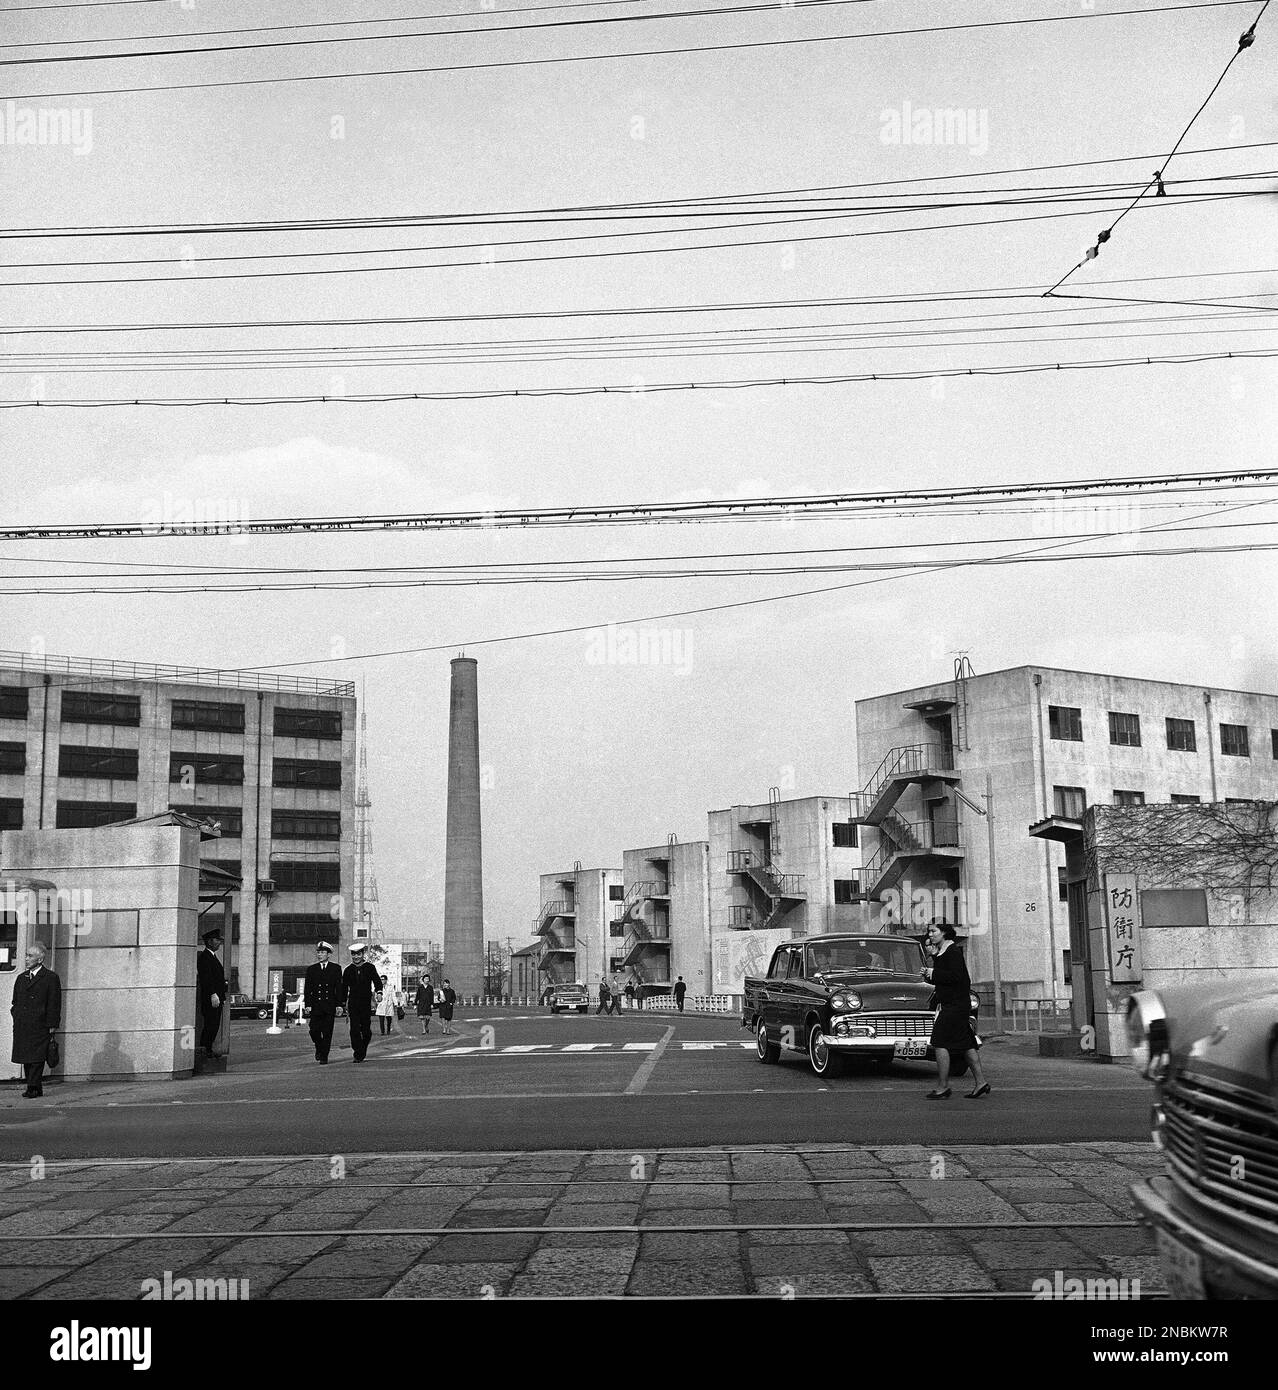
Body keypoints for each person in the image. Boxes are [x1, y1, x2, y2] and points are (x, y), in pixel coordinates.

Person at [922, 923, 990, 1100]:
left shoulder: (952, 952)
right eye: (929, 931)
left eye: (933, 931)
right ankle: (981, 1083)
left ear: (944, 932)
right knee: (966, 1043)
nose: (930, 935)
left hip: (955, 1005)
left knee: (939, 1041)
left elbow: (956, 977)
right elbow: (942, 977)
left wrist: (933, 973)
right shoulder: (943, 952)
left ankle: (943, 1086)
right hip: (954, 1004)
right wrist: (932, 966)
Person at [11, 942, 60, 1099]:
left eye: (30, 956)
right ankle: (33, 1086)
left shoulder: (51, 978)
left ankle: (33, 1087)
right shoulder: (21, 978)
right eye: (26, 955)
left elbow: (54, 1003)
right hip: (23, 1024)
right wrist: (16, 1015)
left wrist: (52, 1024)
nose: (26, 958)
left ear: (40, 959)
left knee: (37, 1058)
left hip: (40, 1024)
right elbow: (15, 1001)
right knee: (26, 1056)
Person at [339, 942, 383, 1063]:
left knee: (366, 1031)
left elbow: (377, 981)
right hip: (353, 1003)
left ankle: (362, 1050)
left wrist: (379, 993)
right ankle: (358, 1053)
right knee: (354, 1030)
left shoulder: (370, 967)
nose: (356, 957)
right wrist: (342, 1004)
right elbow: (344, 988)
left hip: (365, 1003)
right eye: (353, 954)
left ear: (363, 954)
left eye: (358, 954)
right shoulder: (348, 970)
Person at [303, 940, 342, 1063]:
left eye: (322, 952)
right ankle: (319, 1047)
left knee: (327, 1032)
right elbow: (307, 989)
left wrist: (339, 1005)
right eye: (318, 952)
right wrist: (308, 1004)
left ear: (328, 954)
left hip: (329, 1006)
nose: (320, 955)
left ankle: (324, 1056)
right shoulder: (312, 969)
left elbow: (339, 988)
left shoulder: (336, 968)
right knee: (313, 1030)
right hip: (316, 1006)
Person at [195, 928, 227, 1054]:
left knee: (214, 1025)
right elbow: (206, 978)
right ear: (209, 942)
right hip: (211, 998)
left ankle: (208, 1049)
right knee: (210, 1025)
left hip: (217, 997)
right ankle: (205, 1050)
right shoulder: (205, 957)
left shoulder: (212, 956)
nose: (219, 942)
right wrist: (213, 994)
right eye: (217, 940)